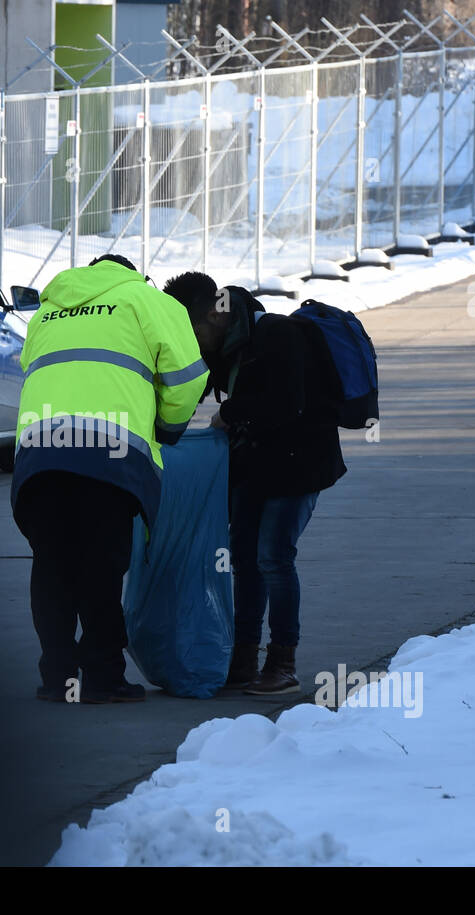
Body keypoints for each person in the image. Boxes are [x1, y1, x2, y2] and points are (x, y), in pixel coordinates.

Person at [12, 254, 208, 704]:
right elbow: (187, 377)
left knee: (51, 565)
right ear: (132, 273)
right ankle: (103, 676)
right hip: (109, 452)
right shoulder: (146, 298)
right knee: (101, 567)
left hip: (40, 451)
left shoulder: (48, 309)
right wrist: (168, 427)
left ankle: (58, 678)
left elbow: (39, 368)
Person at [162, 272, 346, 695]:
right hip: (253, 466)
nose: (194, 340)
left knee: (274, 557)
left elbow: (287, 403)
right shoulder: (224, 349)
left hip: (300, 463)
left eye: (195, 329)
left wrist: (231, 414)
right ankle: (243, 656)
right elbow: (187, 392)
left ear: (215, 313)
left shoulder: (278, 334)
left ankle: (282, 660)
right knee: (244, 558)